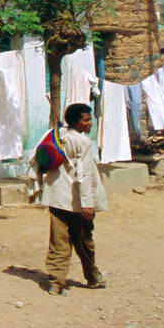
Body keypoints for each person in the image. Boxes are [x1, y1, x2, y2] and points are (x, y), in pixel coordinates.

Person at [36, 102, 108, 295]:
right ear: (76, 121)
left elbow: (38, 159)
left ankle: (55, 283)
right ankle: (92, 277)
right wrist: (87, 204)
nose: (90, 123)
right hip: (76, 202)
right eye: (86, 120)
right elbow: (83, 174)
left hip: (56, 198)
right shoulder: (82, 142)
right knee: (84, 242)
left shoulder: (54, 134)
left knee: (58, 242)